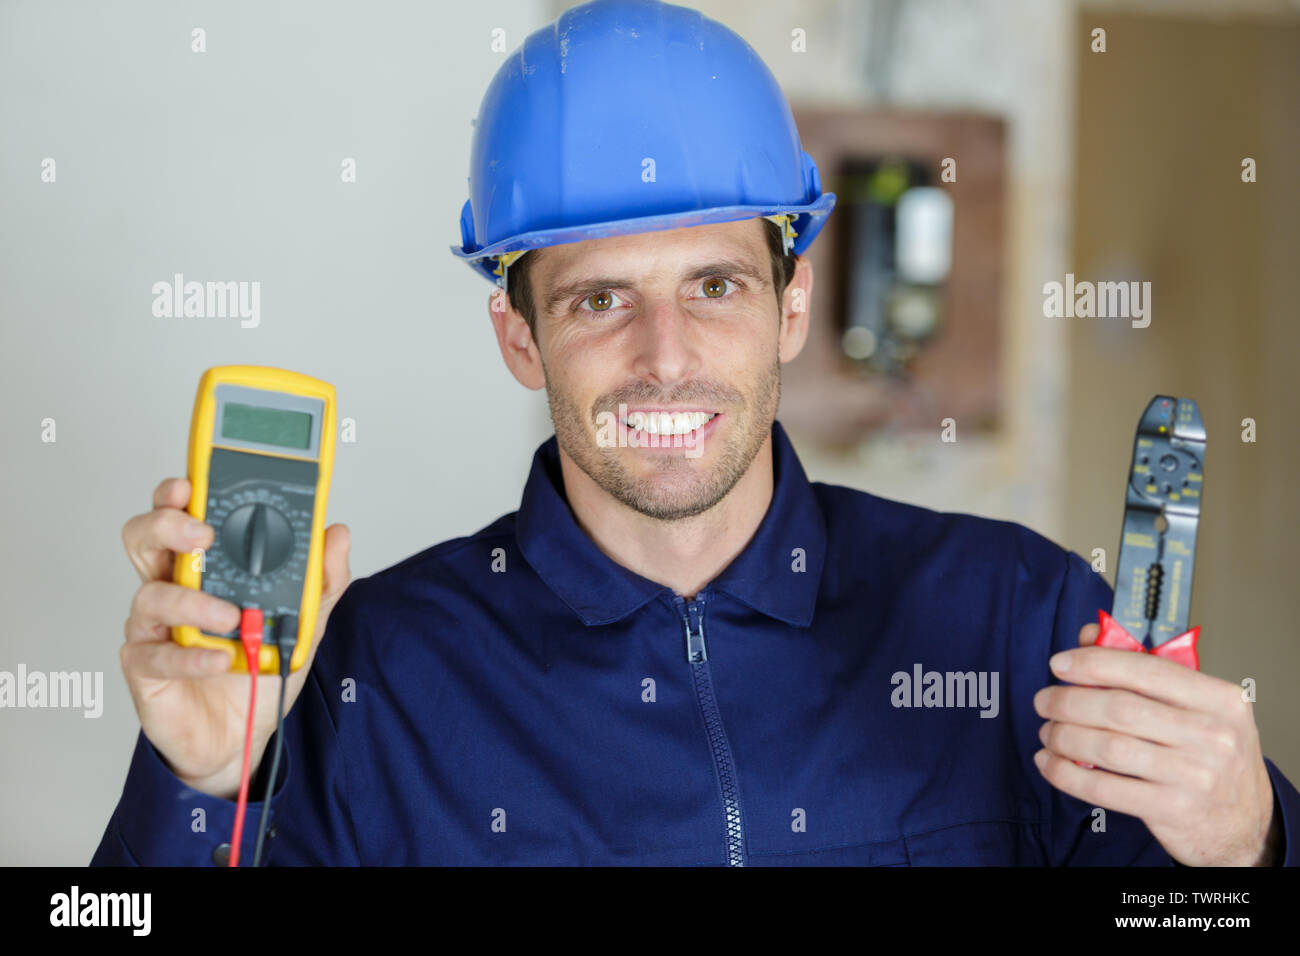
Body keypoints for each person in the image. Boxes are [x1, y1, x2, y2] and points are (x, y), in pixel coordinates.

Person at [92, 0, 1296, 866]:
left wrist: (1250, 836)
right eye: (599, 298)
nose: (664, 354)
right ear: (520, 339)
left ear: (792, 306)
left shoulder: (1013, 614)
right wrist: (201, 788)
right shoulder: (374, 678)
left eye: (713, 286)